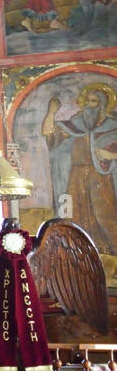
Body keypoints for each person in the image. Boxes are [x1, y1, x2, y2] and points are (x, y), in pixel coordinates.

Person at [42, 84, 117, 252]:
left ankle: (112, 253)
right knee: (76, 216)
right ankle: (78, 254)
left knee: (105, 215)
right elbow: (49, 135)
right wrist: (51, 112)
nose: (89, 105)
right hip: (76, 176)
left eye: (93, 101)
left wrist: (111, 155)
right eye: (86, 101)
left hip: (101, 177)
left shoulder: (112, 126)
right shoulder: (76, 124)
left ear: (103, 104)